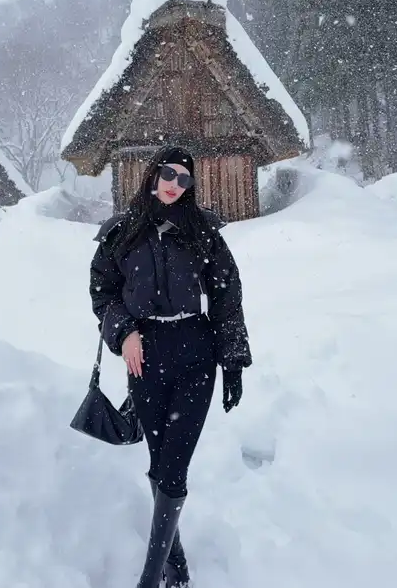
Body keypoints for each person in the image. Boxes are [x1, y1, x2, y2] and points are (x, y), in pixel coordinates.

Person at [90, 146, 252, 588]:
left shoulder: (202, 233)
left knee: (174, 467)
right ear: (152, 174)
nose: (174, 184)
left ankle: (150, 576)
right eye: (169, 173)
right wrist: (124, 332)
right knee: (159, 463)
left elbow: (226, 297)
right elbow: (102, 293)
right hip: (145, 356)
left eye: (184, 179)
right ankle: (174, 564)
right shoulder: (120, 234)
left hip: (195, 353)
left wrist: (233, 362)